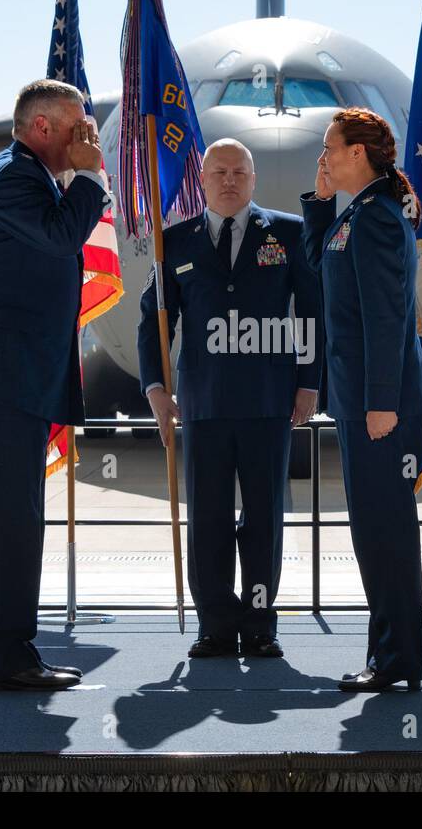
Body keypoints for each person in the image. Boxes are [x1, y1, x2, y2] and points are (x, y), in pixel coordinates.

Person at [0, 79, 107, 691]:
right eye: (78, 129)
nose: (87, 139)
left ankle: (10, 652)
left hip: (9, 384)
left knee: (13, 522)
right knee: (9, 523)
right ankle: (5, 659)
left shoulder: (26, 178)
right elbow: (64, 237)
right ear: (41, 129)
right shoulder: (12, 178)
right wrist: (91, 178)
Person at [138, 138, 322, 659]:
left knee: (264, 519)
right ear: (202, 178)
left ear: (253, 177)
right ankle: (216, 625)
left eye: (239, 171)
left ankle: (260, 624)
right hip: (203, 404)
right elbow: (155, 319)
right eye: (218, 171)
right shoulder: (171, 242)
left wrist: (309, 381)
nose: (229, 180)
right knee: (209, 519)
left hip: (270, 401)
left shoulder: (288, 233)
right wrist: (155, 387)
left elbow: (311, 310)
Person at [299, 108, 422, 692]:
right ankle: (390, 656)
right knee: (373, 532)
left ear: (358, 152)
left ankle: (396, 659)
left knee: (384, 533)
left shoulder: (376, 217)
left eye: (329, 147)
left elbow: (385, 316)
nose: (322, 157)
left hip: (379, 405)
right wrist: (320, 204)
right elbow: (318, 270)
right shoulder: (360, 212)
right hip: (360, 400)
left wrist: (381, 402)